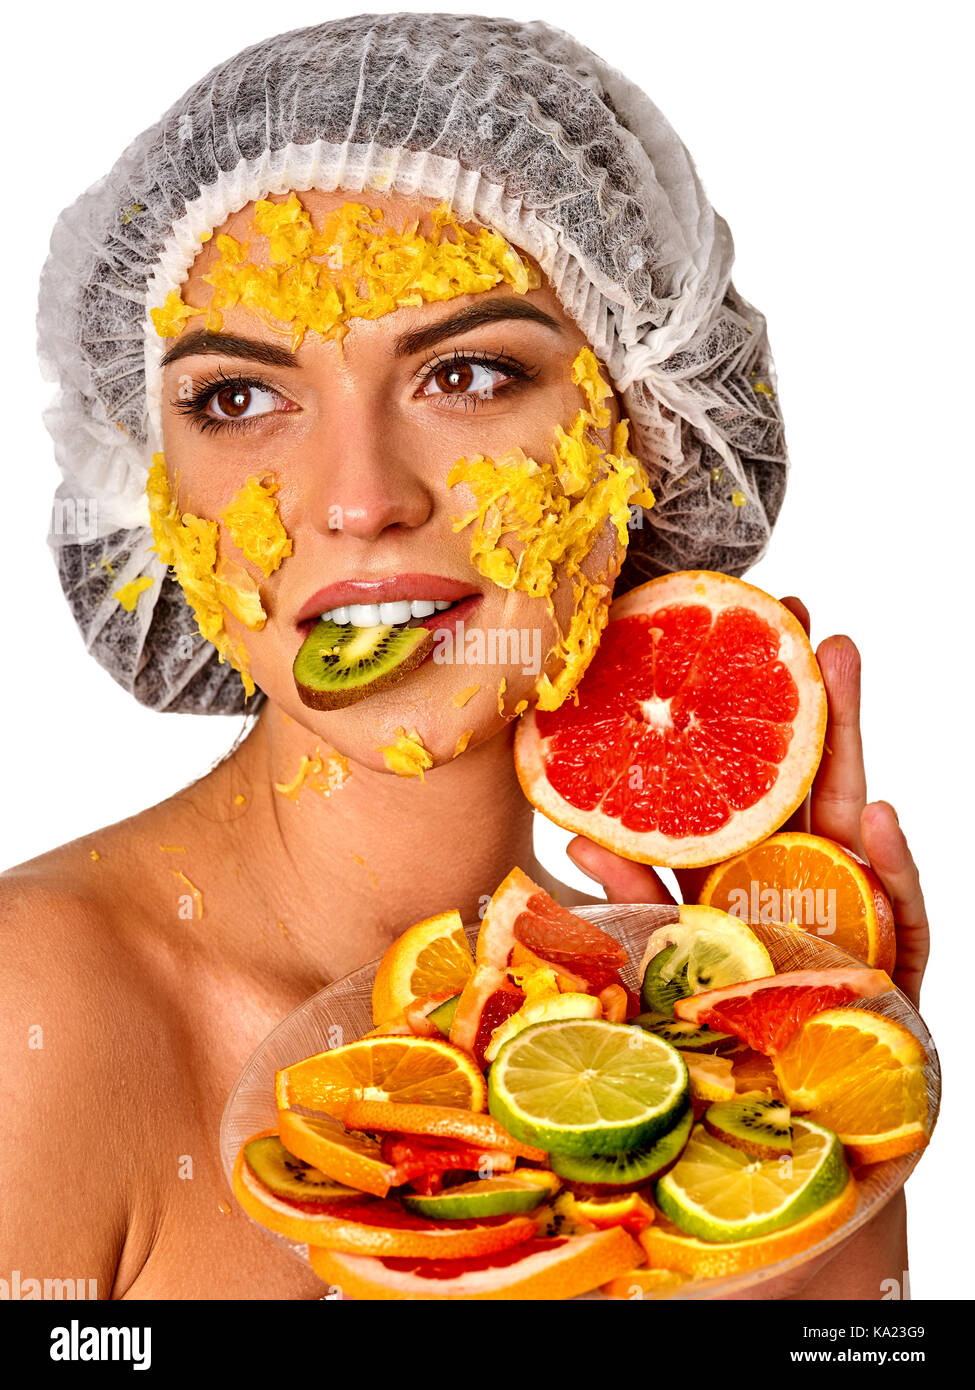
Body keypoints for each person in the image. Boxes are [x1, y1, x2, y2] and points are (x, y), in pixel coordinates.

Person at [1, 14, 928, 1300]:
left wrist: (812, 1133)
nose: (359, 498)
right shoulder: (31, 1013)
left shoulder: (657, 1045)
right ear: (154, 490)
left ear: (647, 438)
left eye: (472, 373)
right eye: (237, 397)